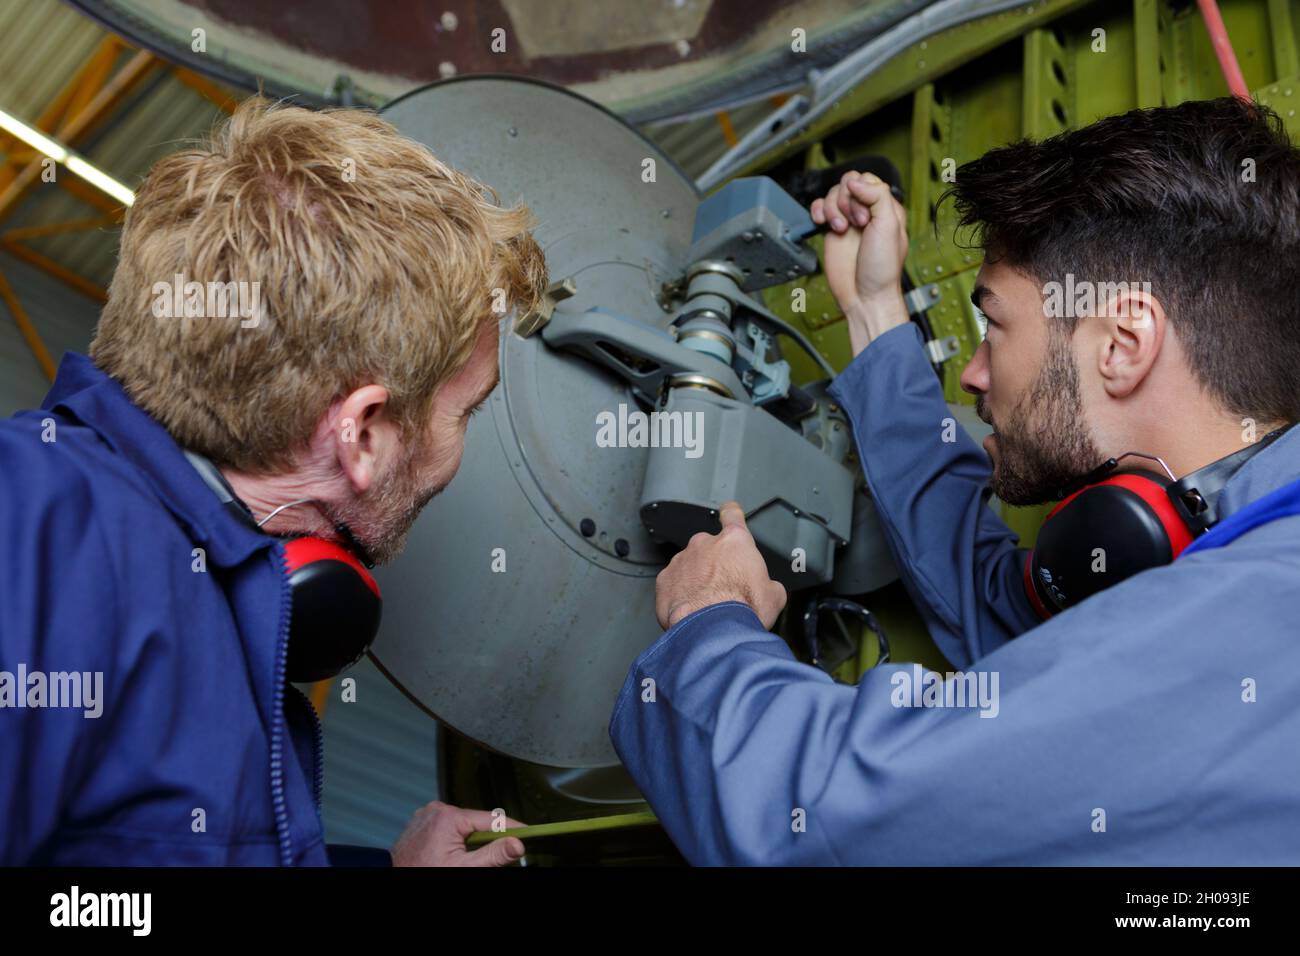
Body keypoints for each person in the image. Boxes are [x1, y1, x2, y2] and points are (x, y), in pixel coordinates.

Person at [609, 96, 1300, 864]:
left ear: (1123, 344)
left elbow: (827, 822)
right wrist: (874, 313)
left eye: (994, 327)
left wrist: (709, 625)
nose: (972, 373)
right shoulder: (1228, 535)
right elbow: (1009, 617)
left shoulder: (1250, 627)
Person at [0, 98, 545, 865]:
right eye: (468, 412)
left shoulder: (192, 575)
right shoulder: (28, 531)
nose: (460, 452)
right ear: (361, 432)